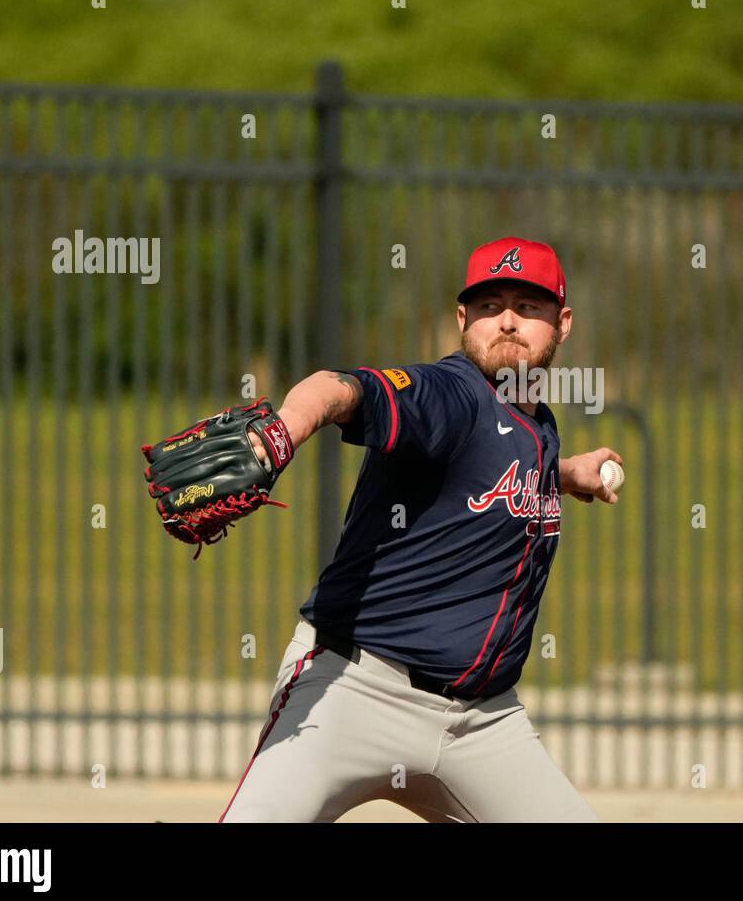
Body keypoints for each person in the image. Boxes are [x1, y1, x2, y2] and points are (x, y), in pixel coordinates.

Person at [218, 236, 620, 822]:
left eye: (527, 307)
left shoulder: (536, 422)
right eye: (489, 306)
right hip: (352, 691)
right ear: (463, 320)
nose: (507, 321)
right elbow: (339, 389)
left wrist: (561, 472)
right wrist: (280, 434)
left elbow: (489, 467)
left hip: (482, 724)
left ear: (562, 324)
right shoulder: (448, 394)